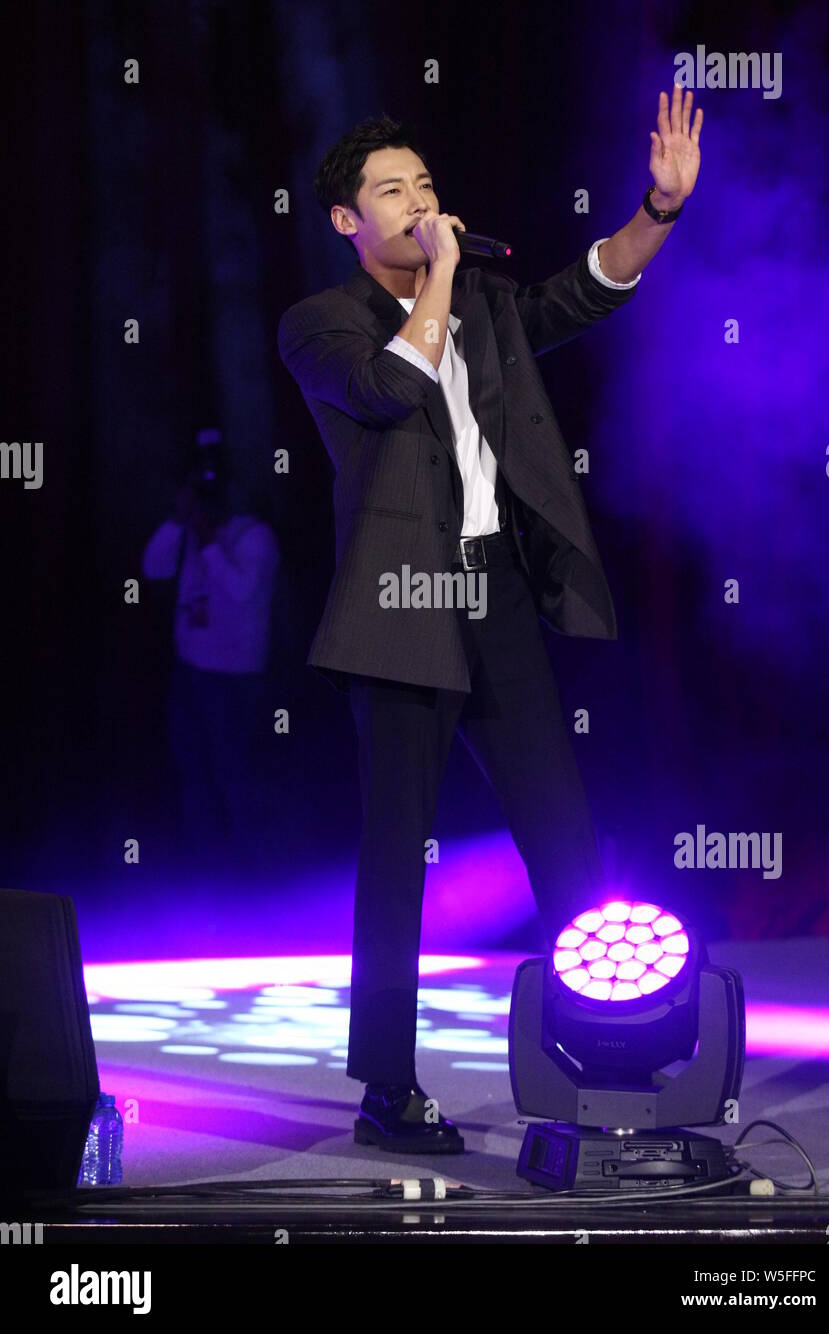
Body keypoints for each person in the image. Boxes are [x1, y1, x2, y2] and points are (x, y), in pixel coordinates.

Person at [277, 91, 702, 1154]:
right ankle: (387, 1089)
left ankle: (606, 1052)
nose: (420, 205)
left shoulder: (483, 305)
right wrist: (444, 277)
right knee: (395, 853)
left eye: (425, 186)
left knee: (562, 833)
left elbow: (584, 287)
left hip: (492, 592)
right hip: (396, 607)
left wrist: (656, 206)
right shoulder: (320, 322)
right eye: (392, 192)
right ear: (345, 221)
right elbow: (388, 386)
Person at [142, 429, 281, 868]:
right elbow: (152, 568)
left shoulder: (255, 536)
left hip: (234, 677)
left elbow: (242, 594)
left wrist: (208, 543)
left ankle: (251, 873)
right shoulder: (191, 530)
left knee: (235, 774)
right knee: (194, 773)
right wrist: (177, 520)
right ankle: (209, 869)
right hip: (190, 671)